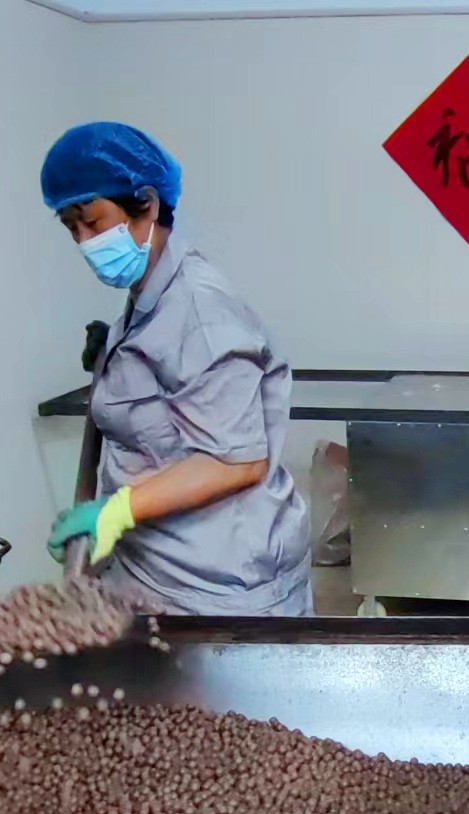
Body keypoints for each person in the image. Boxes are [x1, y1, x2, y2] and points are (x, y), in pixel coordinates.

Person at [41, 122, 312, 615]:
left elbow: (237, 461)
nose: (84, 242)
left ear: (146, 203)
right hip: (159, 565)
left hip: (220, 585)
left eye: (93, 222)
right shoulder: (150, 292)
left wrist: (118, 511)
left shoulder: (201, 310)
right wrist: (112, 359)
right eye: (71, 228)